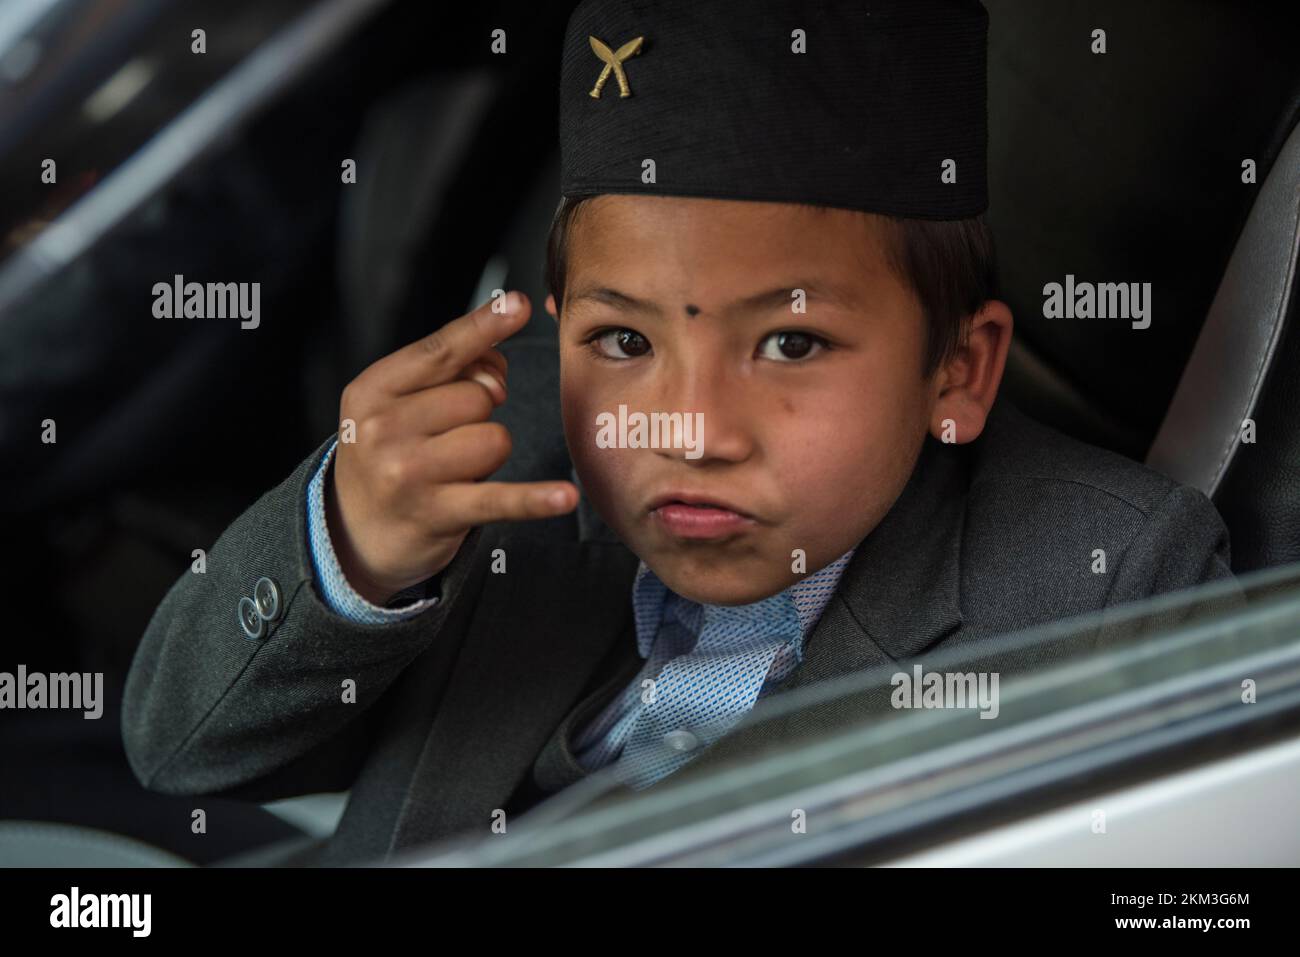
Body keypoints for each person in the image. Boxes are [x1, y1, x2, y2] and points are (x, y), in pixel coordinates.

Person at [122, 0, 1232, 865]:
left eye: (790, 347)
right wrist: (352, 554)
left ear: (959, 368)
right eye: (620, 341)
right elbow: (183, 756)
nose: (688, 430)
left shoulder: (1097, 580)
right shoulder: (486, 460)